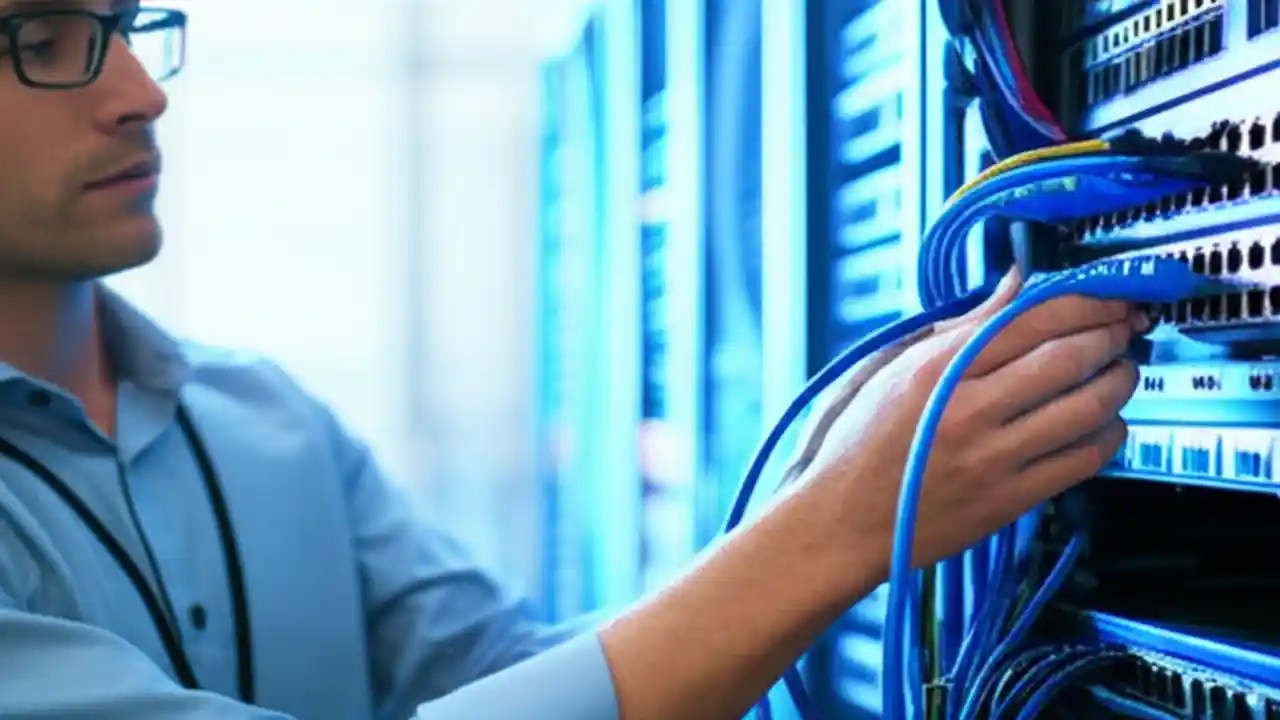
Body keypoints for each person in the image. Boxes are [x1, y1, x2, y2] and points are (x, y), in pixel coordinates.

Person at [0, 3, 1148, 719]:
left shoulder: (268, 423)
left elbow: (513, 677)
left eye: (130, 27)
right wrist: (838, 523)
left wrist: (819, 481)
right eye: (46, 43)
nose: (139, 94)